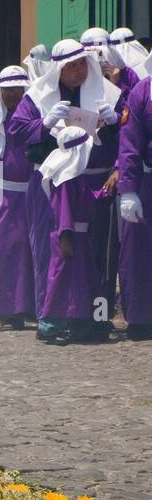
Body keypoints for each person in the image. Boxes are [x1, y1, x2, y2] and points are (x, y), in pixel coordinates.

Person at [10, 39, 122, 337]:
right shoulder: (36, 98)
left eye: (82, 64)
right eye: (71, 66)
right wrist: (44, 125)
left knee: (97, 258)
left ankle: (97, 318)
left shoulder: (107, 94)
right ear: (58, 69)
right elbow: (17, 133)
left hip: (94, 180)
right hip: (52, 184)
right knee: (52, 254)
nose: (78, 71)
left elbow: (128, 134)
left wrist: (114, 124)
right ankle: (53, 318)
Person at [0, 66, 35, 330]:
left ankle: (36, 307)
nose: (14, 95)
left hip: (35, 193)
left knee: (35, 252)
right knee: (6, 254)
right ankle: (9, 312)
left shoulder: (37, 116)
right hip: (3, 196)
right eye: (8, 90)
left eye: (19, 89)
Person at [37, 126, 105, 344]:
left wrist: (107, 190)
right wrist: (66, 238)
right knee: (64, 285)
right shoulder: (65, 181)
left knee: (81, 283)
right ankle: (52, 327)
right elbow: (64, 212)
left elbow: (88, 200)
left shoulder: (75, 178)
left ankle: (83, 323)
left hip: (78, 238)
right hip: (70, 239)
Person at [116, 72, 152, 339]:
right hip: (147, 182)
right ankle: (141, 319)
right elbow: (129, 143)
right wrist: (128, 190)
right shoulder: (142, 92)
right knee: (140, 255)